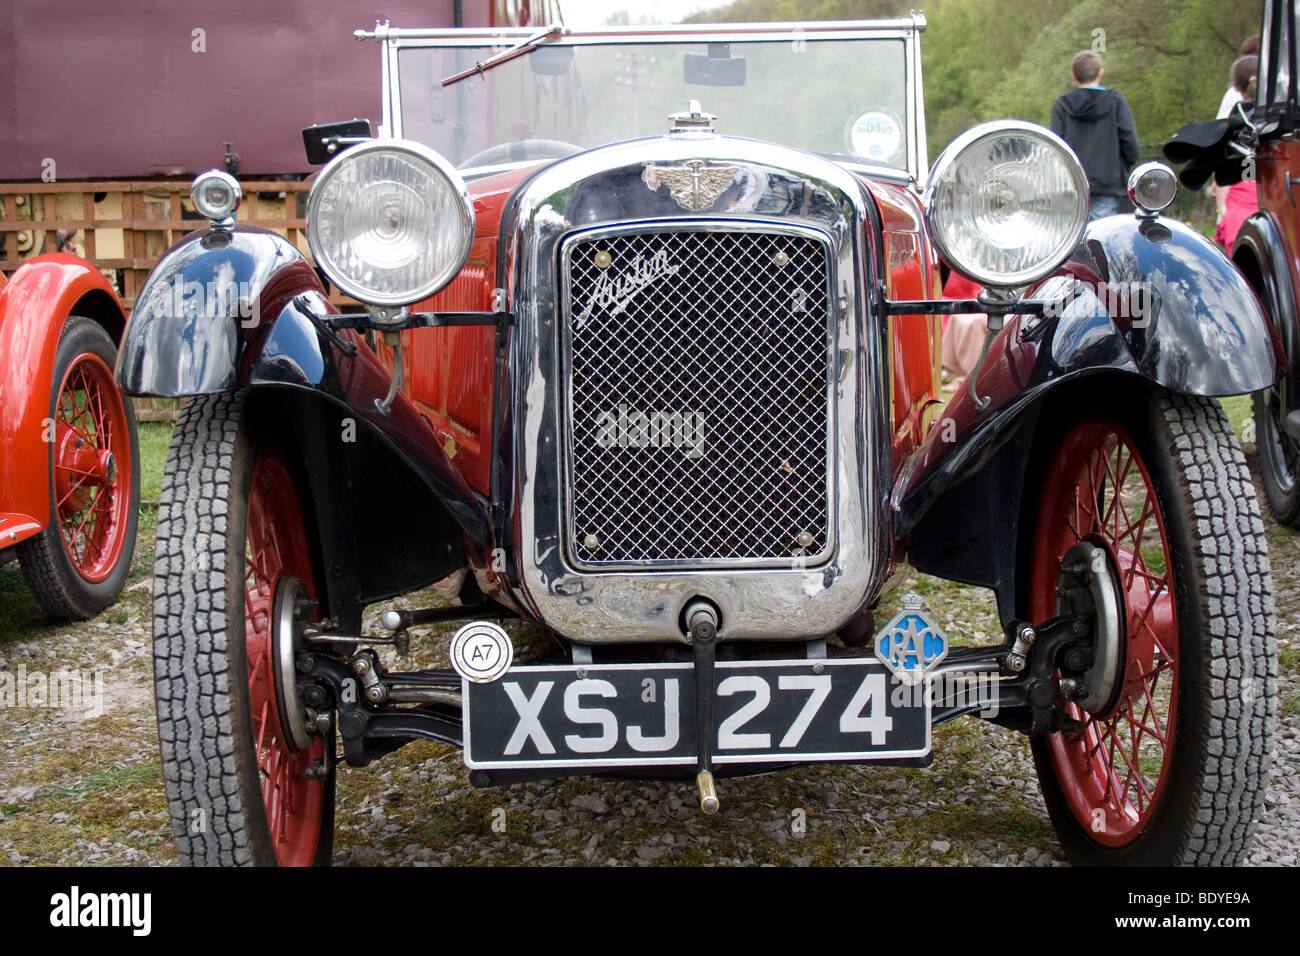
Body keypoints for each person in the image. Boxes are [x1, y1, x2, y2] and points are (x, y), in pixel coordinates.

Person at [1050, 50, 1141, 221]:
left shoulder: (1062, 105)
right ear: (1101, 73)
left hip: (1072, 183)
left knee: (1073, 237)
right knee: (1100, 238)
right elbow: (1130, 143)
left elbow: (1054, 147)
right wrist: (1122, 166)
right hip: (1107, 181)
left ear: (1073, 76)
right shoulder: (1115, 101)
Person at [1214, 55, 1259, 251]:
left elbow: (1223, 172)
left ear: (1235, 86)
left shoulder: (1231, 121)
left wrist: (1223, 207)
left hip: (1238, 205)